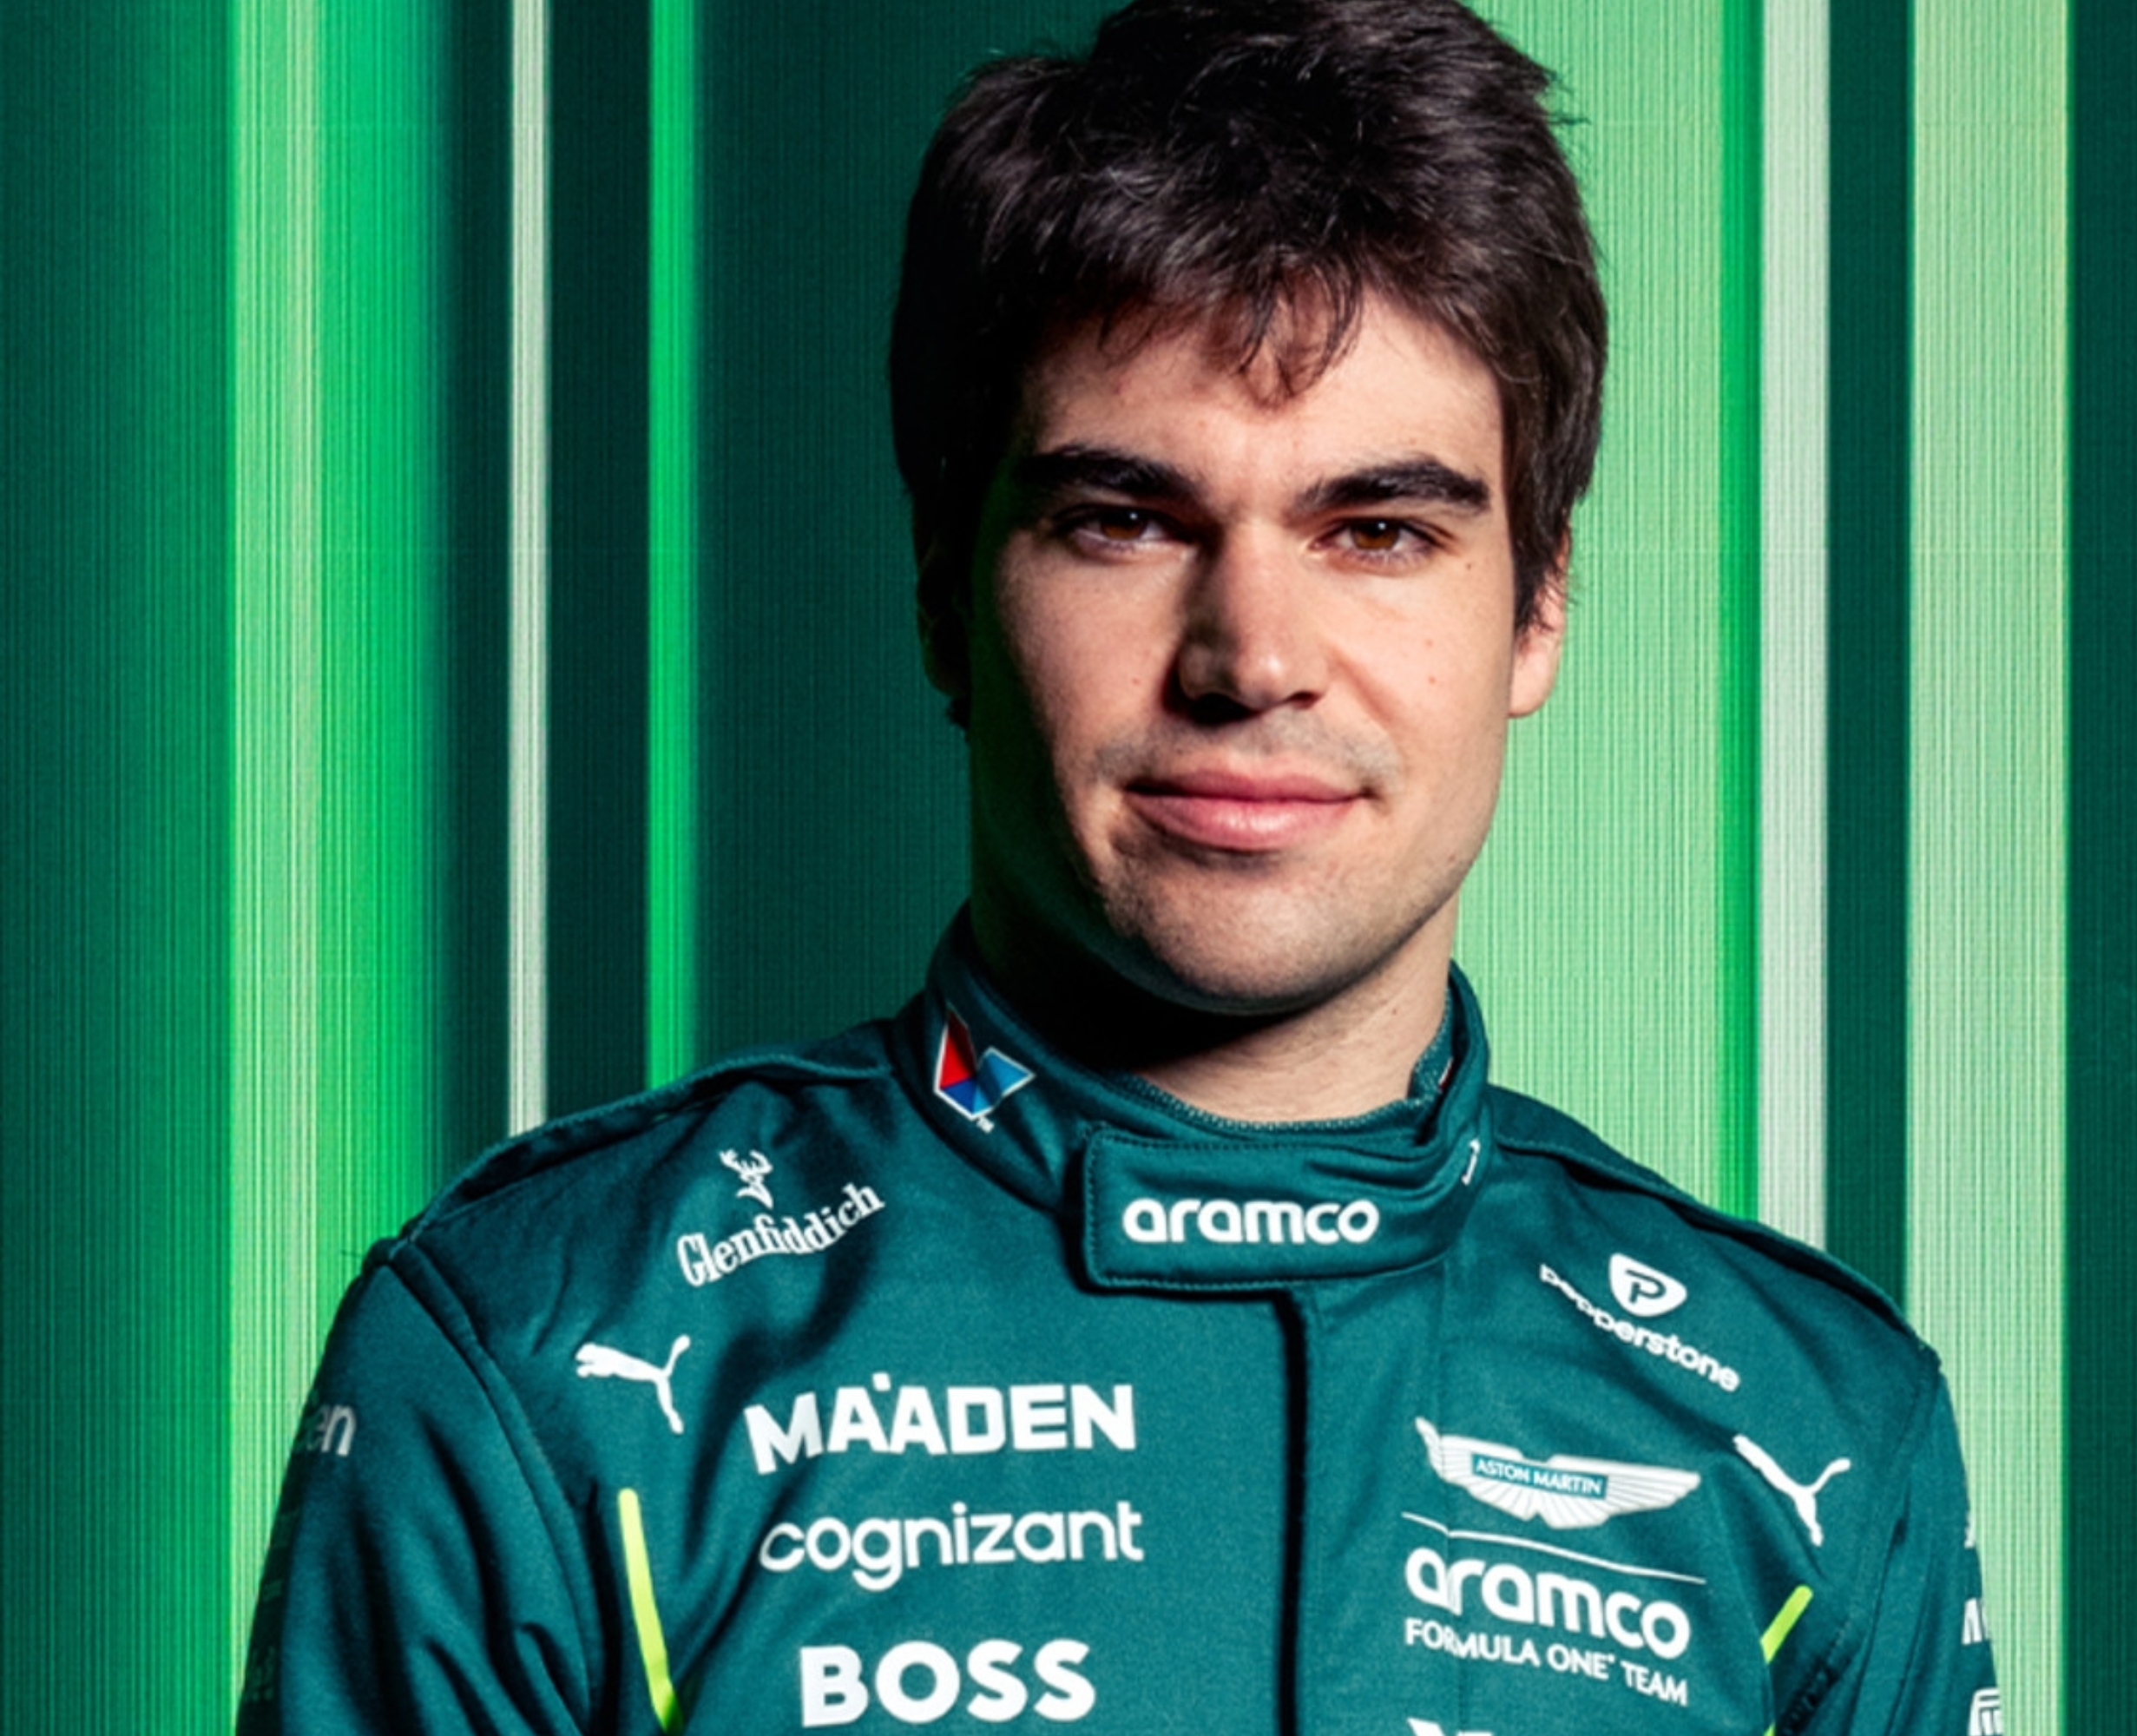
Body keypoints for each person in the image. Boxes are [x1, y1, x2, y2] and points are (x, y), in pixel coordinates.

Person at [240, 1, 1998, 1730]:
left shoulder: (1811, 1433)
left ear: (1536, 607)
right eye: (1127, 520)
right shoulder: (547, 1350)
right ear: (946, 589)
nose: (1253, 658)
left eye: (1379, 530)